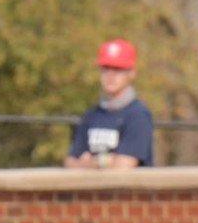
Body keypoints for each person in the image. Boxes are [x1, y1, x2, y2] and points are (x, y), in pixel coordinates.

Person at [65, 38, 155, 169]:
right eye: (106, 68)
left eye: (118, 69)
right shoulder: (92, 115)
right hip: (92, 189)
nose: (110, 75)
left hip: (127, 189)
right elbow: (70, 162)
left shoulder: (138, 115)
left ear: (131, 73)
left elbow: (124, 166)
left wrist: (90, 163)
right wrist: (107, 161)